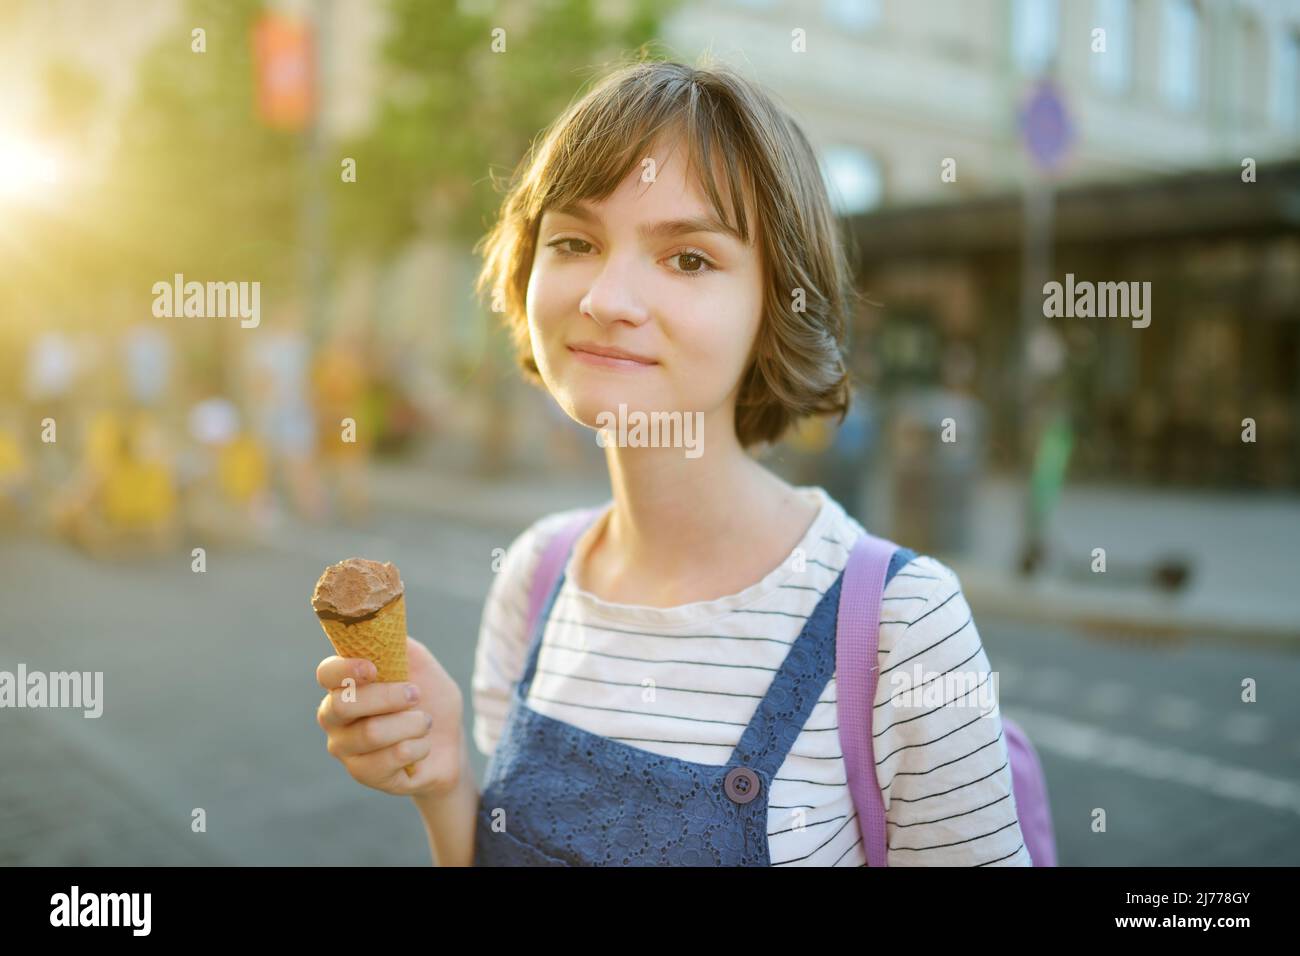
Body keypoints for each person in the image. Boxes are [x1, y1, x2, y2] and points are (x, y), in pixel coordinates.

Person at [313, 57, 1030, 867]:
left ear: (775, 304)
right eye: (575, 242)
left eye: (689, 258)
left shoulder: (904, 622)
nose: (606, 299)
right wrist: (442, 785)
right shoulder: (536, 577)